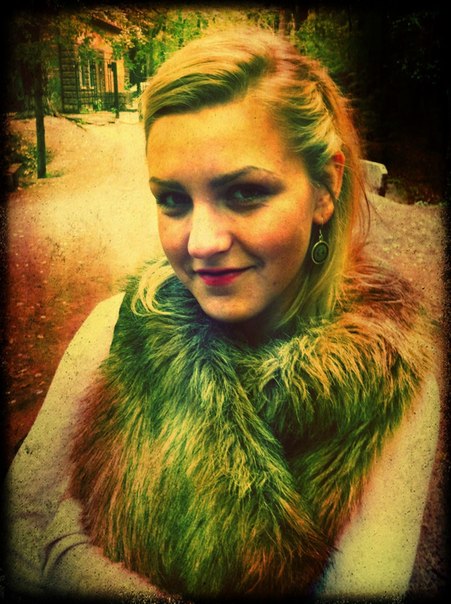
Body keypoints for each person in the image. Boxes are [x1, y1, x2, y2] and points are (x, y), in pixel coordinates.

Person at [4, 27, 440, 601]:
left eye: (245, 193)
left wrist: (70, 555)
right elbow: (19, 541)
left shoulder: (391, 381)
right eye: (173, 200)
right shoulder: (116, 326)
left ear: (326, 188)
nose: (201, 243)